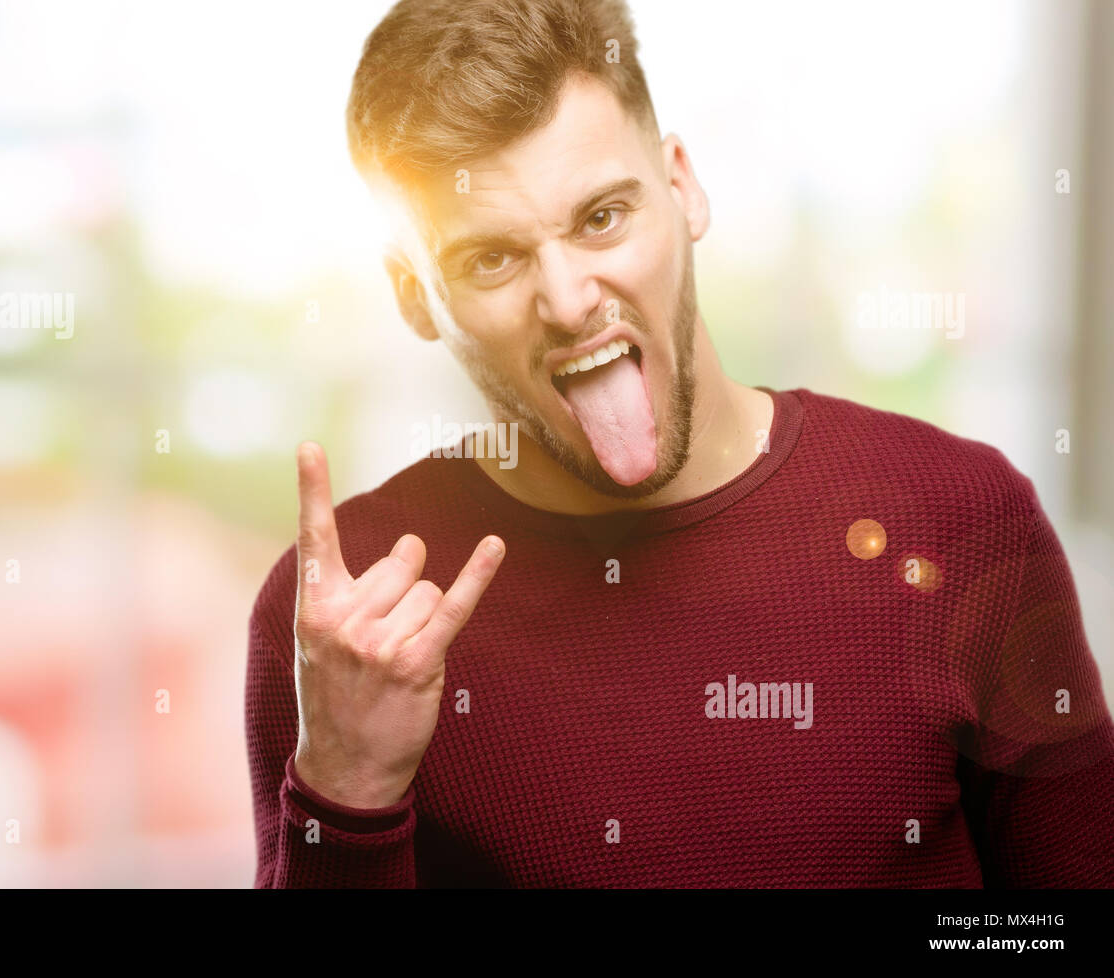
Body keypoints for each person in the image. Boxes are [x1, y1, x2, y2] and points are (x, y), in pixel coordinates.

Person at [245, 0, 1114, 887]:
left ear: (683, 187)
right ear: (413, 296)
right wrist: (345, 787)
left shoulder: (965, 515)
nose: (571, 299)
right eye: (491, 260)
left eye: (601, 218)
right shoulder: (340, 619)